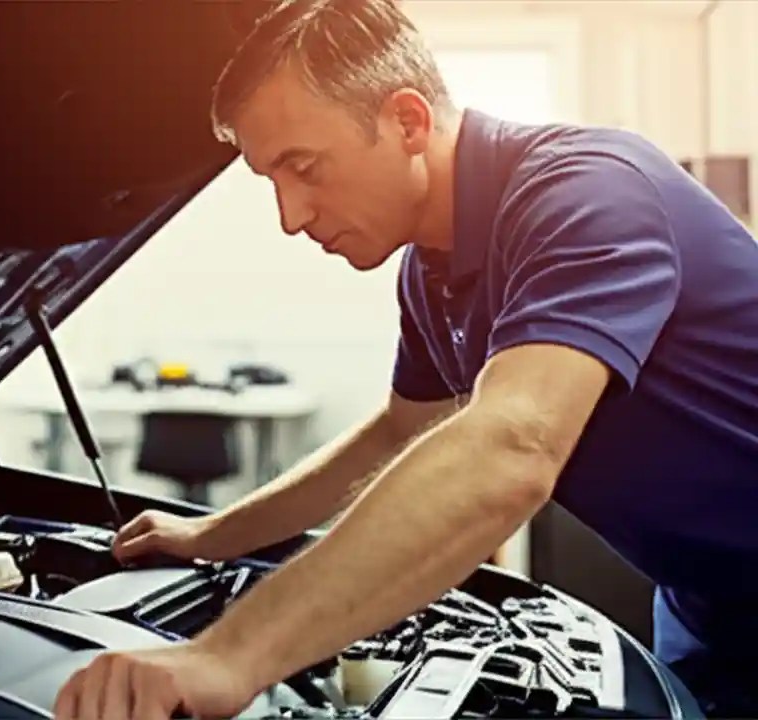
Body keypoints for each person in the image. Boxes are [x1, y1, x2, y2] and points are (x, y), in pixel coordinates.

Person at [51, 0, 758, 718]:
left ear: (408, 121)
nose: (291, 217)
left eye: (304, 169)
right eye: (271, 182)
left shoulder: (589, 189)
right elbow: (397, 435)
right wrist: (214, 535)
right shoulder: (429, 273)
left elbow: (513, 446)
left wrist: (228, 658)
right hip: (705, 613)